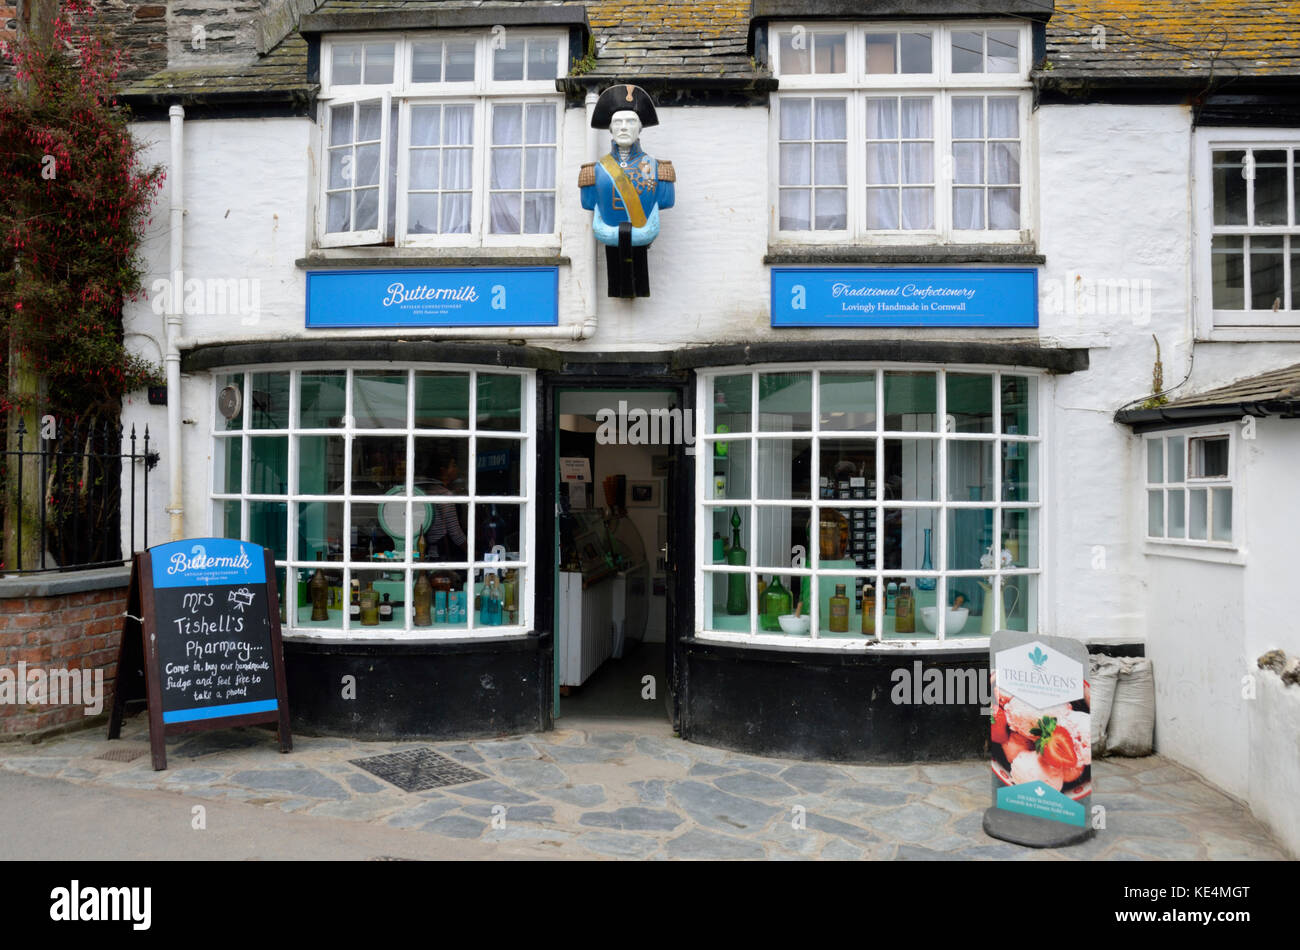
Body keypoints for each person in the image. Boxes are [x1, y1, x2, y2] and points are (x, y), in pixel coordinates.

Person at [579, 84, 675, 297]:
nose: (623, 127)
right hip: (609, 236)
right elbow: (588, 203)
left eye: (630, 122)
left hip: (643, 235)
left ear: (640, 128)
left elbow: (666, 201)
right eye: (617, 122)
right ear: (610, 129)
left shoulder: (659, 168)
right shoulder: (593, 171)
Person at [422, 445, 466, 562]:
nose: (456, 469)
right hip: (441, 551)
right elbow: (455, 532)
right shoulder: (443, 494)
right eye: (453, 466)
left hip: (425, 550)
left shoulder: (425, 491)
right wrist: (473, 552)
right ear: (443, 470)